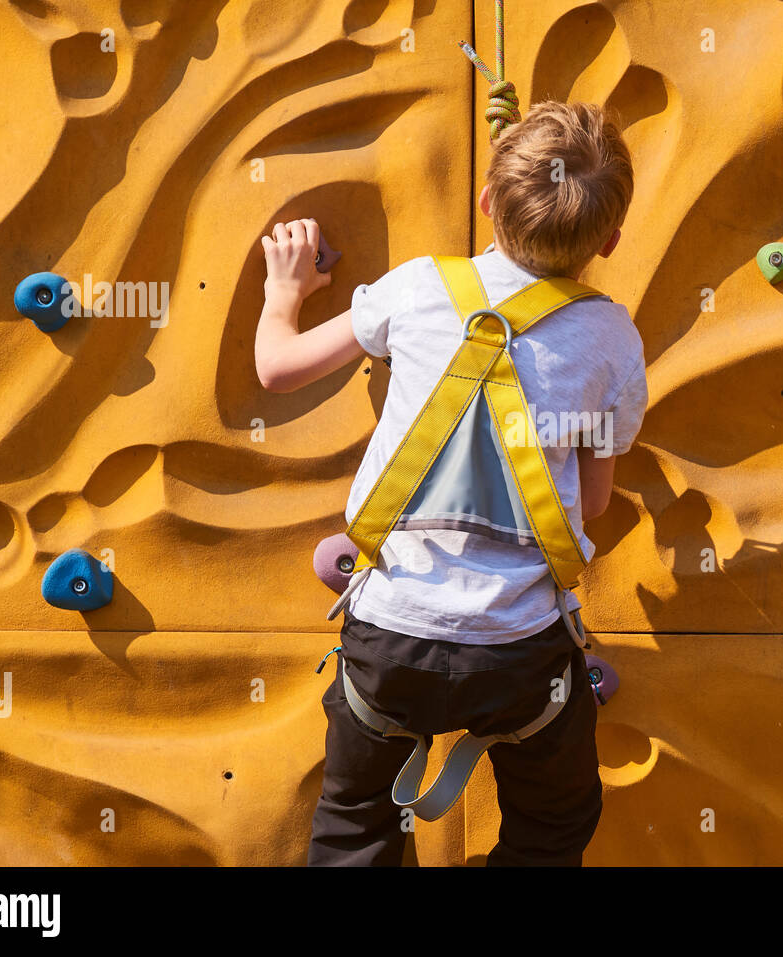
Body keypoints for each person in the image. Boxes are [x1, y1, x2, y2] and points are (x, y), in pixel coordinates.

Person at [255, 101, 647, 866]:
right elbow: (593, 502)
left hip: (390, 633)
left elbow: (276, 368)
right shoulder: (611, 340)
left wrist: (284, 292)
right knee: (556, 821)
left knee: (354, 826)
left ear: (485, 203)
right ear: (610, 241)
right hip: (520, 653)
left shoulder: (414, 290)